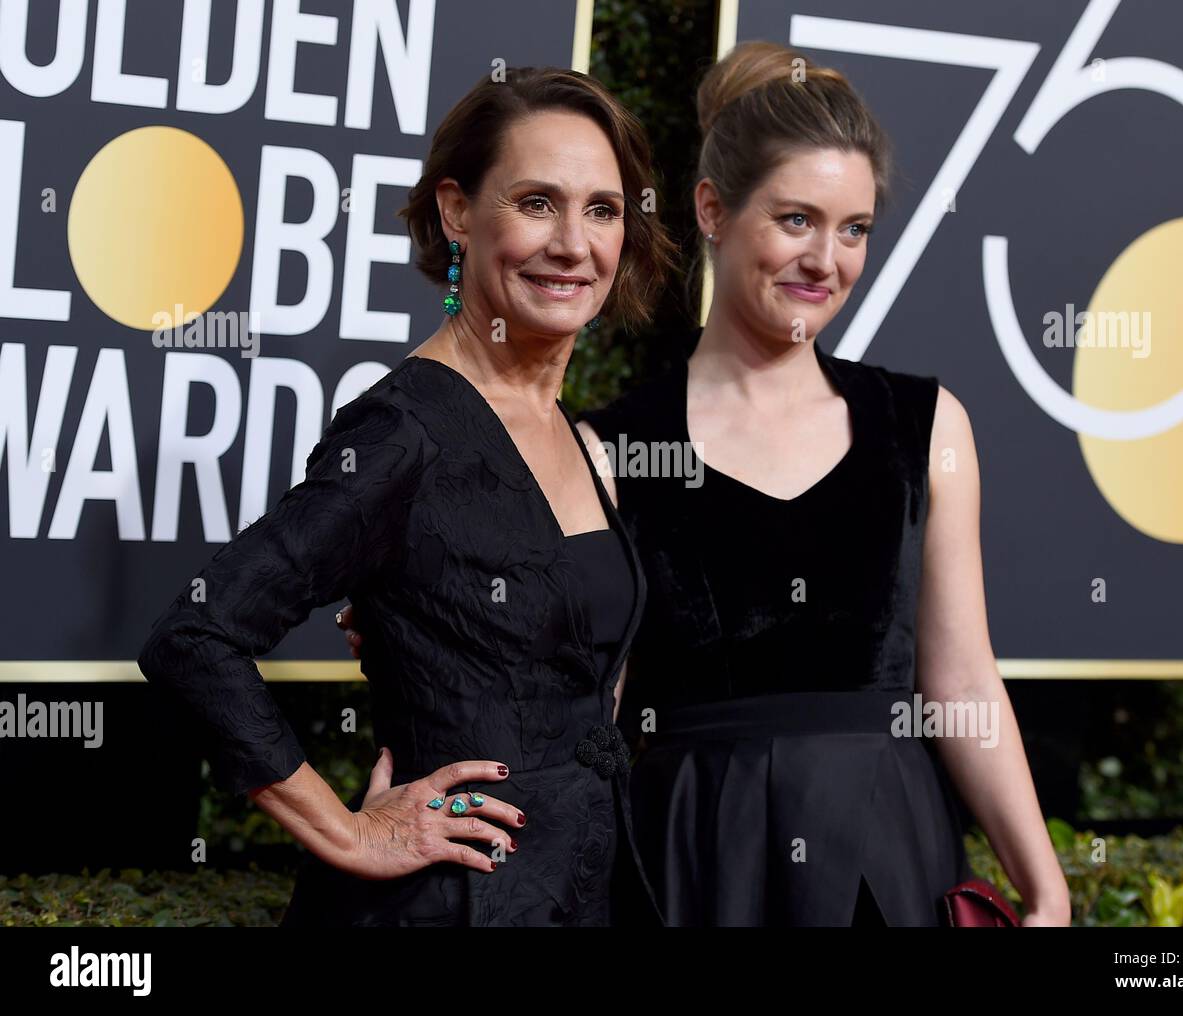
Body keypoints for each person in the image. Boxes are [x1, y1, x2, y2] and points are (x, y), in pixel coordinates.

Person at [137, 65, 674, 927]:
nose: (575, 243)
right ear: (458, 213)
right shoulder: (404, 433)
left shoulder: (579, 440)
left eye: (603, 209)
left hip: (587, 885)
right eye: (537, 202)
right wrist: (349, 833)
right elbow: (194, 637)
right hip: (452, 902)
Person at [572, 41, 1072, 926]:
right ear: (713, 210)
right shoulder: (610, 451)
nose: (826, 261)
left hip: (891, 854)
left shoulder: (923, 428)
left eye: (854, 229)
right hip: (693, 859)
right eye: (797, 220)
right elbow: (584, 717)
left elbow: (959, 685)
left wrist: (1046, 884)